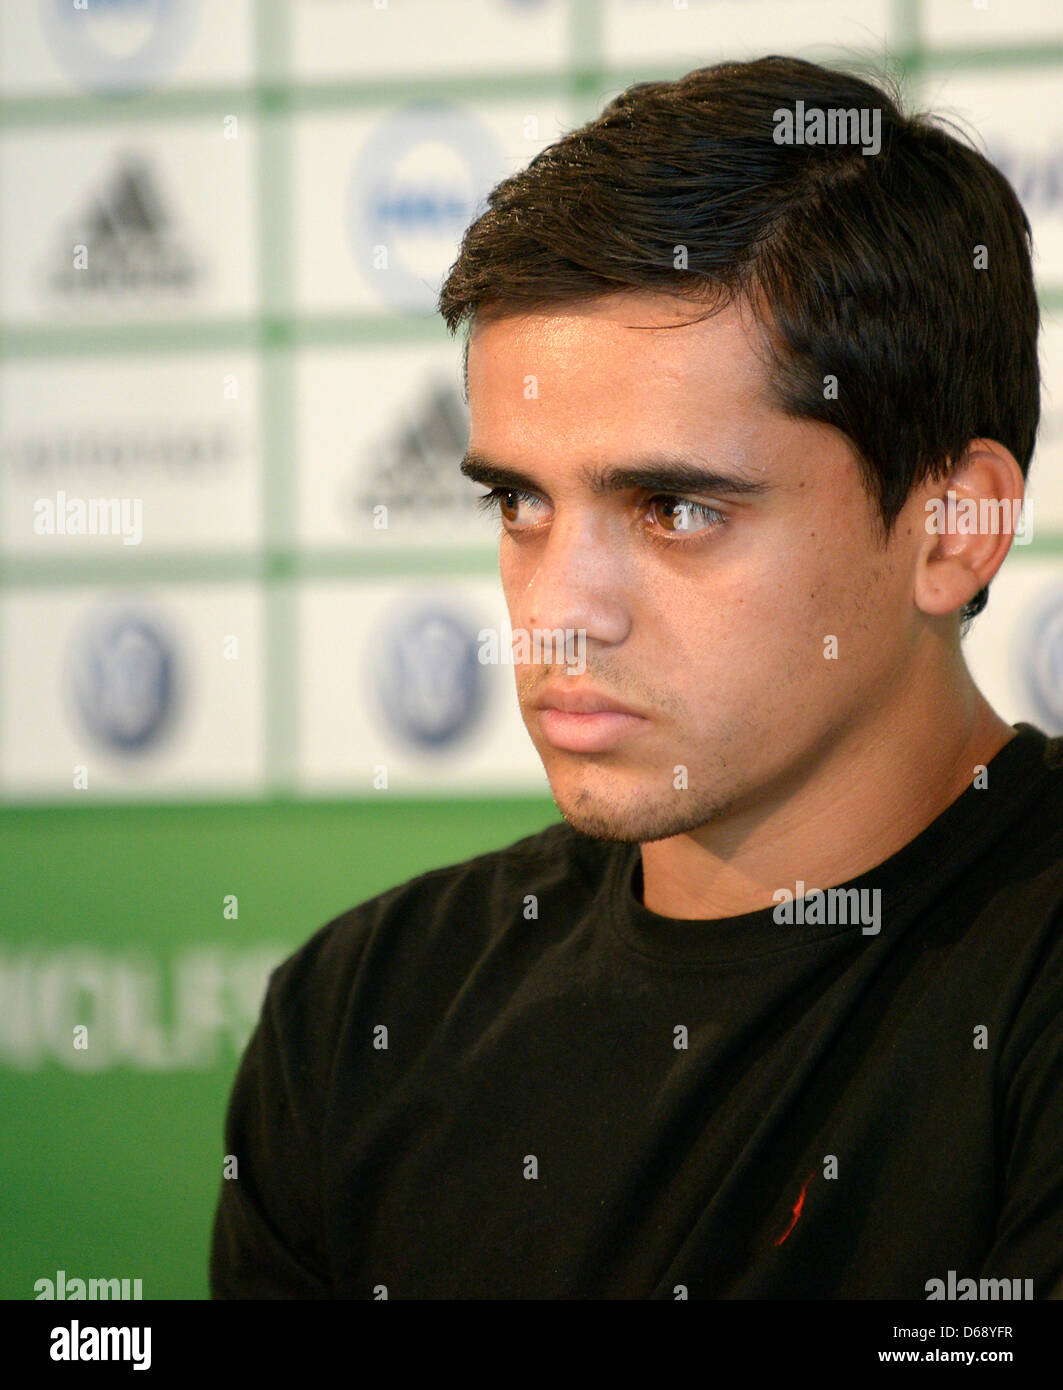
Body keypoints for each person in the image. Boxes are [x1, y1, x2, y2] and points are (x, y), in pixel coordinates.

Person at [210, 55, 1063, 1299]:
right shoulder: (359, 1013)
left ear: (950, 527)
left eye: (672, 508)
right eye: (518, 502)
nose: (557, 614)